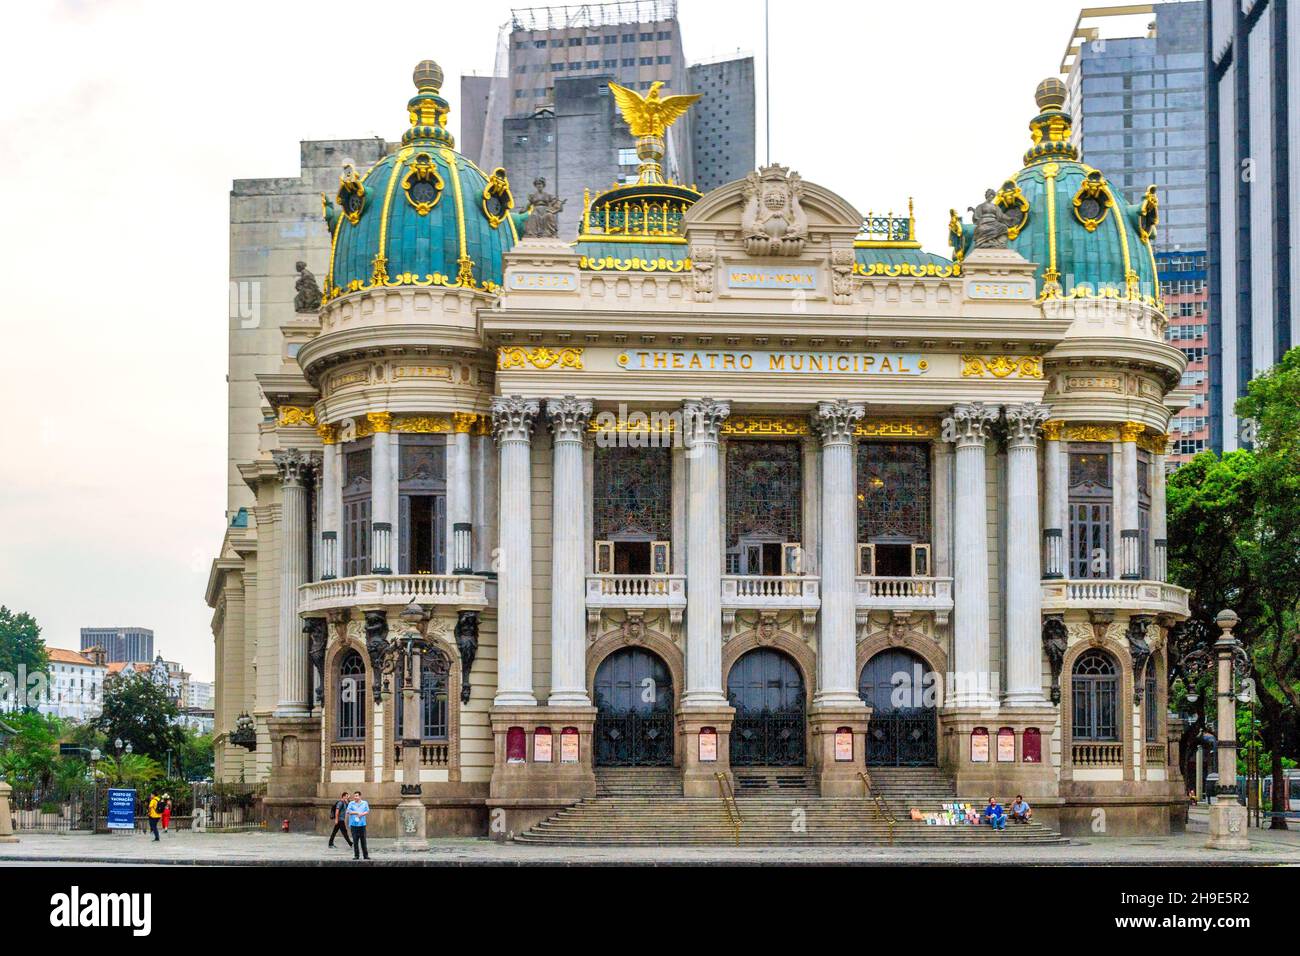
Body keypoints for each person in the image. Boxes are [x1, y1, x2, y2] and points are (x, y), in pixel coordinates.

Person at [346, 790, 370, 861]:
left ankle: (366, 855)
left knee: (363, 841)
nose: (355, 797)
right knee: (355, 841)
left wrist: (361, 814)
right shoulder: (351, 803)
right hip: (354, 825)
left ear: (360, 796)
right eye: (354, 796)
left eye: (356, 796)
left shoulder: (364, 803)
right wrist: (356, 813)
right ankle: (356, 855)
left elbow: (367, 811)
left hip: (362, 824)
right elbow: (348, 811)